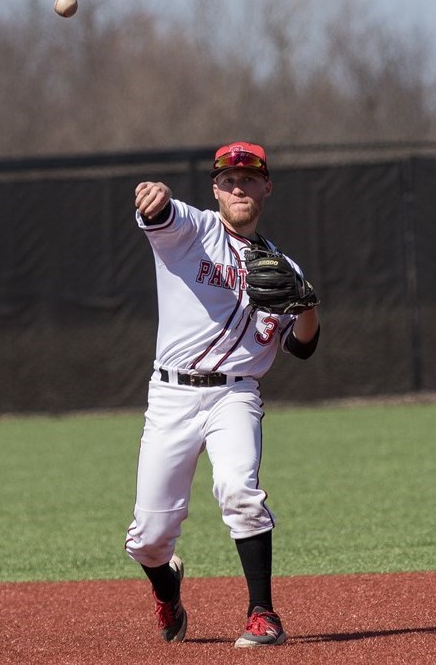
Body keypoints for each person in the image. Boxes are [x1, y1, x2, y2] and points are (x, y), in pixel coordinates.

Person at [125, 141, 321, 648]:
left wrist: (309, 306)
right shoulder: (194, 230)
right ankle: (167, 586)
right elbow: (162, 213)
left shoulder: (283, 267)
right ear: (215, 189)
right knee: (147, 540)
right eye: (229, 180)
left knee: (239, 491)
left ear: (266, 187)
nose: (239, 187)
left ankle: (263, 614)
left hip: (235, 395)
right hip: (171, 394)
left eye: (249, 179)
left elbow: (302, 347)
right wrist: (157, 195)